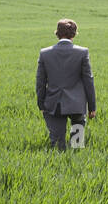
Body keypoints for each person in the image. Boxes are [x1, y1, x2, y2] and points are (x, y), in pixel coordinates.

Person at [36, 18, 97, 150]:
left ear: (57, 33)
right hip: (77, 105)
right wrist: (92, 107)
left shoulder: (45, 53)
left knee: (57, 144)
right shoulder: (82, 52)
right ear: (74, 34)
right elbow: (88, 80)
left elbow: (40, 83)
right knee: (77, 143)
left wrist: (41, 104)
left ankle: (59, 165)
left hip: (54, 104)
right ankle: (76, 163)